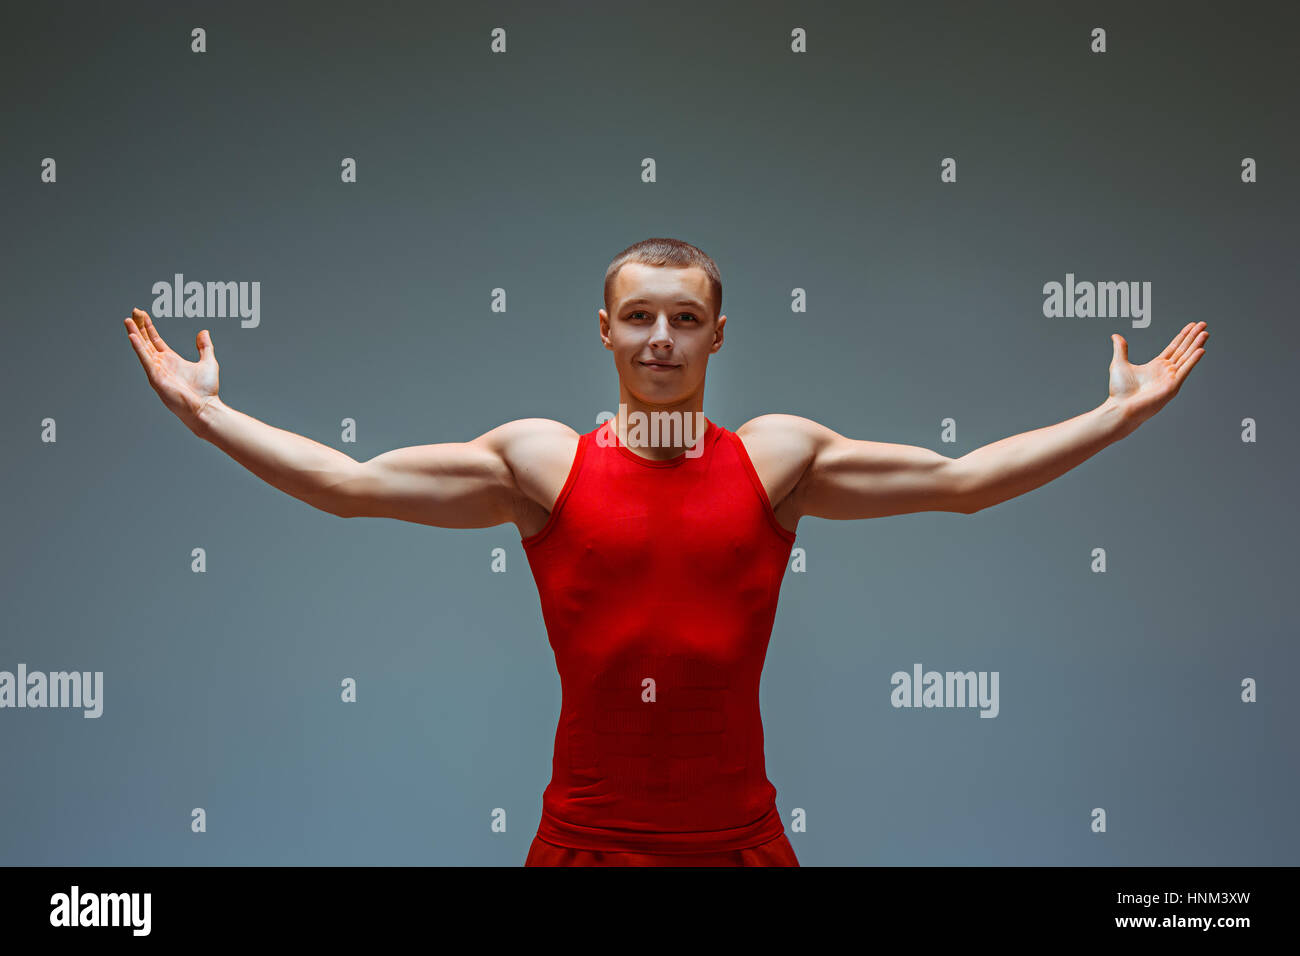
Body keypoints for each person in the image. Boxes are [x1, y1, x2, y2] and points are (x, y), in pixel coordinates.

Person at [123, 237, 1209, 866]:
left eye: (683, 318)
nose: (657, 338)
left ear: (717, 335)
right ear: (602, 329)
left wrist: (1115, 417)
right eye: (636, 316)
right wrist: (208, 416)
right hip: (585, 841)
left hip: (738, 842)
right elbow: (349, 488)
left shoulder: (776, 461)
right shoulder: (541, 464)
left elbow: (964, 480)